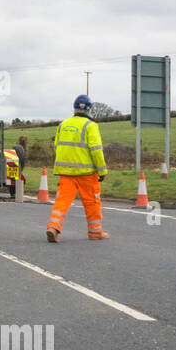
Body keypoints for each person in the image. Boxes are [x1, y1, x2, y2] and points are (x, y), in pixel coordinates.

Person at [46, 94, 109, 242]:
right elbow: (96, 150)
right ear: (89, 110)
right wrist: (102, 171)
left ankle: (53, 227)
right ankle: (95, 232)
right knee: (92, 201)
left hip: (66, 172)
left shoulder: (63, 124)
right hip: (86, 173)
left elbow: (57, 146)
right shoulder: (91, 126)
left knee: (62, 202)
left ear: (74, 108)